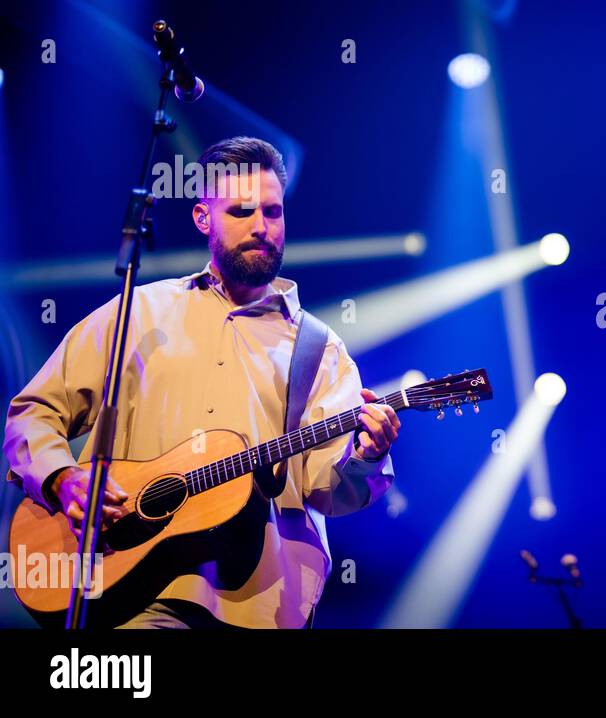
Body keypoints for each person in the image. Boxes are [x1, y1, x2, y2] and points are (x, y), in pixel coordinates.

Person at [4, 137, 400, 628]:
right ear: (203, 218)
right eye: (241, 211)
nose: (261, 226)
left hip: (257, 606)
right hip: (131, 594)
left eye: (273, 212)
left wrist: (367, 456)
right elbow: (34, 410)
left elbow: (327, 490)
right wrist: (63, 479)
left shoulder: (320, 350)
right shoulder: (139, 313)